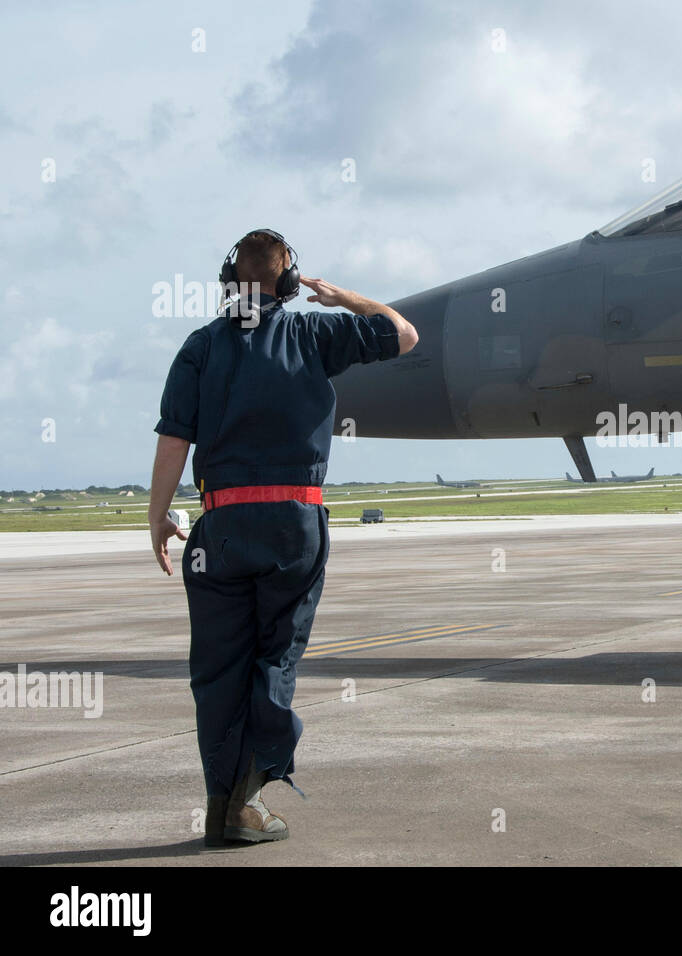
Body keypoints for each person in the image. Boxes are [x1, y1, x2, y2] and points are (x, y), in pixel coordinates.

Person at [147, 228, 418, 847]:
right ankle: (244, 803)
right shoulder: (313, 333)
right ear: (290, 283)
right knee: (274, 659)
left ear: (227, 279)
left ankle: (221, 805)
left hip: (219, 525)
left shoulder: (200, 347)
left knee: (217, 671)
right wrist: (338, 295)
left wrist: (158, 516)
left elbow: (173, 440)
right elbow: (404, 333)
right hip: (291, 525)